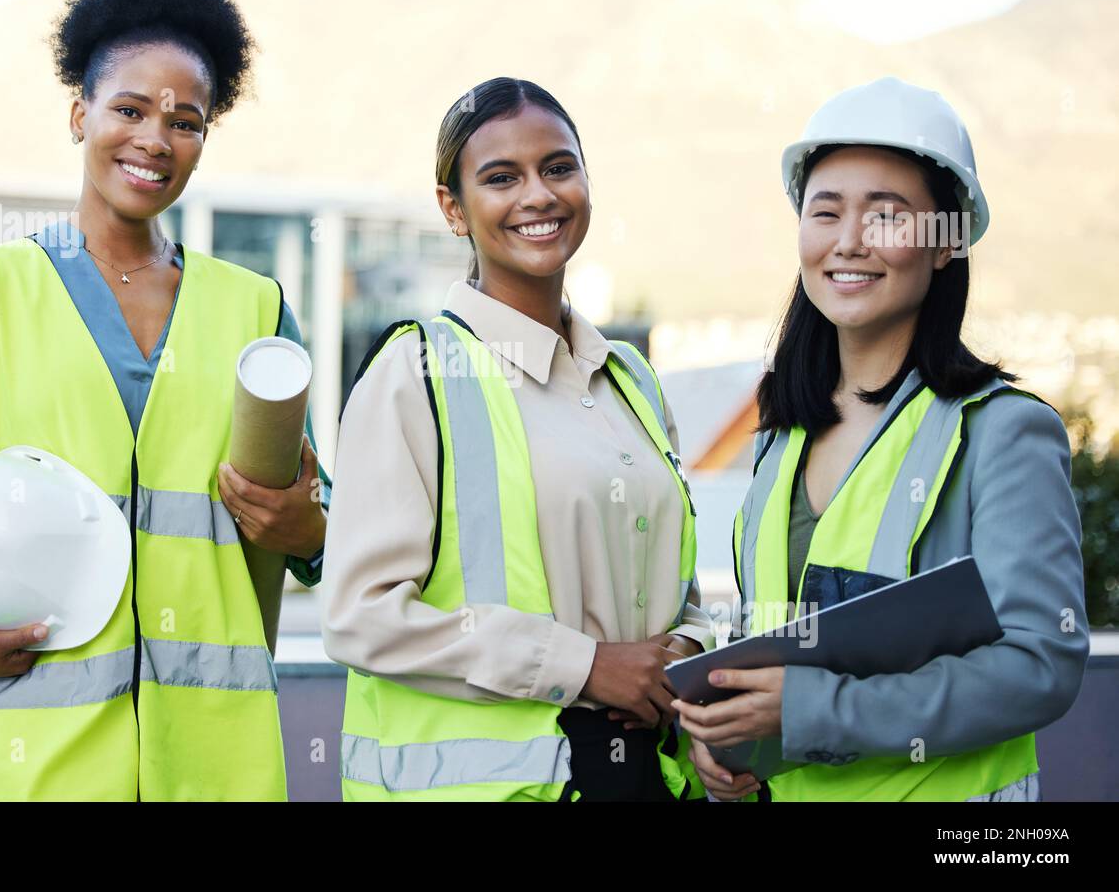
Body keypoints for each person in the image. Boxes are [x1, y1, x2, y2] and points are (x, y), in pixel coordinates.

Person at [0, 0, 330, 801]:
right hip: (34, 763)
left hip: (218, 767)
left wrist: (307, 528)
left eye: (187, 121)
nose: (155, 140)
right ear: (78, 113)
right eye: (129, 108)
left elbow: (315, 535)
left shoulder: (257, 311)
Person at [672, 77, 1089, 801]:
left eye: (887, 215)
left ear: (943, 245)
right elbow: (767, 638)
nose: (849, 241)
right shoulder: (779, 442)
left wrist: (810, 709)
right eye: (825, 212)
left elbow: (1039, 664)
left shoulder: (1001, 433)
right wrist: (725, 740)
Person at [321, 77, 713, 801]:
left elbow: (675, 590)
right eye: (501, 178)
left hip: (647, 779)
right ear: (453, 208)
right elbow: (359, 616)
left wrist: (688, 648)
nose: (538, 195)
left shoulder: (631, 379)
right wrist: (583, 664)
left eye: (558, 167)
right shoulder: (416, 371)